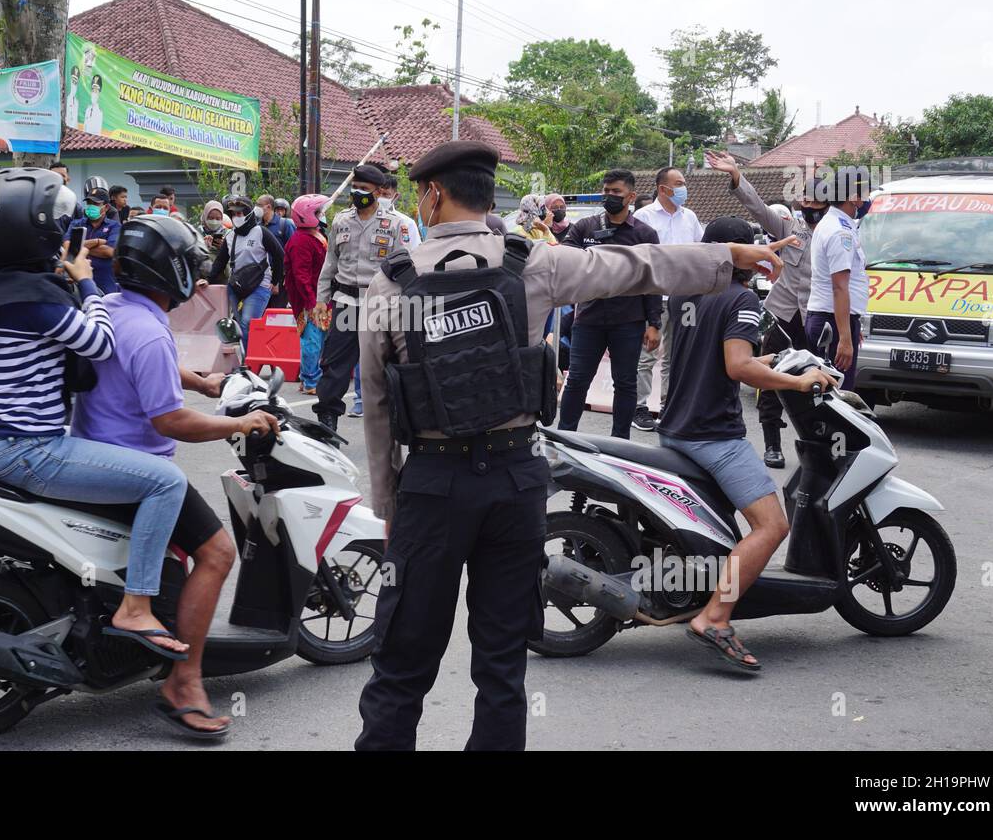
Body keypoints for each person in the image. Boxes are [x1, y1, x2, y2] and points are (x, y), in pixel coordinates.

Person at [355, 140, 794, 750]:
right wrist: (730, 255)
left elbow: (377, 411)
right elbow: (641, 265)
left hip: (432, 487)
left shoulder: (389, 282)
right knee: (503, 662)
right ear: (488, 197)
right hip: (516, 482)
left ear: (432, 195)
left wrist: (391, 510)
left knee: (403, 658)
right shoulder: (537, 263)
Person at [0, 169, 192, 662]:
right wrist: (86, 283)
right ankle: (136, 605)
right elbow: (100, 343)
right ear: (36, 236)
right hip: (30, 450)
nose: (66, 236)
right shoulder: (37, 300)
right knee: (166, 482)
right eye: (59, 228)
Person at [71, 215, 279, 737]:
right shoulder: (150, 332)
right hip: (133, 469)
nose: (200, 279)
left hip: (92, 456)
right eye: (191, 267)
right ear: (171, 273)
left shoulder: (117, 309)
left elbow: (143, 365)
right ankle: (184, 682)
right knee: (218, 552)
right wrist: (240, 421)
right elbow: (171, 421)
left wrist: (206, 384)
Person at [660, 217, 836, 671]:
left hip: (675, 426)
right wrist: (796, 385)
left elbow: (712, 355)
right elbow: (737, 368)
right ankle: (715, 616)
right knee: (772, 526)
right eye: (753, 248)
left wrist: (769, 359)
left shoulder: (686, 293)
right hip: (712, 435)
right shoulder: (739, 299)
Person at [706, 150, 825, 468]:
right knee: (770, 380)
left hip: (817, 319)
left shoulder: (839, 233)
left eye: (817, 202)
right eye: (805, 201)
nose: (809, 207)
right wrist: (736, 176)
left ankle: (817, 447)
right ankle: (773, 444)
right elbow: (757, 207)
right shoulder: (790, 228)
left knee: (818, 381)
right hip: (783, 316)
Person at [312, 164, 417, 435]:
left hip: (379, 304)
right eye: (355, 187)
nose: (358, 193)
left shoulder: (395, 224)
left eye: (364, 189)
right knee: (335, 364)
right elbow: (330, 263)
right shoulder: (341, 221)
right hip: (346, 301)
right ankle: (328, 419)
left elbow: (405, 267)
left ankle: (393, 418)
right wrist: (321, 299)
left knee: (386, 363)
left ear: (379, 191)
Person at [556, 170, 661, 437]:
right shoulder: (586, 227)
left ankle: (620, 443)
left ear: (631, 196)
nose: (610, 196)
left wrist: (654, 323)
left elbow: (653, 280)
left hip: (629, 320)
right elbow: (566, 260)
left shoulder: (645, 234)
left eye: (616, 192)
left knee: (625, 384)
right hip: (589, 318)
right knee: (577, 381)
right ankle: (565, 438)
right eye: (606, 191)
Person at [631, 165, 705, 431]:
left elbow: (700, 252)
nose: (685, 188)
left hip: (684, 298)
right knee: (647, 354)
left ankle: (668, 406)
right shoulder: (644, 216)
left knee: (676, 356)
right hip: (653, 296)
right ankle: (639, 408)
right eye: (680, 183)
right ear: (663, 188)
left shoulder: (690, 218)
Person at [807, 167, 869, 389]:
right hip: (831, 323)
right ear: (853, 196)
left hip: (834, 319)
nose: (865, 200)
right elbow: (839, 288)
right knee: (835, 397)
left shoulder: (835, 223)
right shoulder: (839, 231)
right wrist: (844, 337)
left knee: (829, 393)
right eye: (864, 194)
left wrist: (851, 326)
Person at [200, 194, 284, 355]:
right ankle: (231, 358)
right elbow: (220, 262)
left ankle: (247, 363)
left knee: (247, 323)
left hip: (260, 284)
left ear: (249, 213)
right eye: (233, 214)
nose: (236, 217)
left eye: (240, 213)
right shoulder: (230, 236)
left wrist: (275, 280)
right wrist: (207, 280)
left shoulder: (261, 232)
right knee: (229, 322)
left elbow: (280, 255)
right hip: (236, 285)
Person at [284, 194, 330, 394]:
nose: (322, 215)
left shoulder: (316, 234)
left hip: (319, 297)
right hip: (309, 299)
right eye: (318, 212)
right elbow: (301, 275)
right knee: (312, 340)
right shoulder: (301, 240)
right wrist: (311, 302)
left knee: (318, 338)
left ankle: (308, 378)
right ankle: (311, 381)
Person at [70, 178, 122, 294]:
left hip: (106, 286)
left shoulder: (115, 226)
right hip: (78, 286)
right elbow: (68, 246)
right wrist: (98, 242)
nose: (91, 206)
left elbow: (109, 252)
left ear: (106, 207)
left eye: (96, 203)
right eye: (89, 203)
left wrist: (79, 247)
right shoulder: (76, 224)